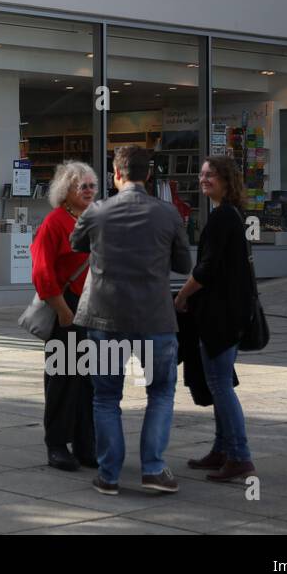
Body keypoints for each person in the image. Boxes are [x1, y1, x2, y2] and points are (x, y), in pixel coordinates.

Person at [70, 145, 192, 496]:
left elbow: (76, 242)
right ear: (148, 175)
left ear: (116, 174)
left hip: (106, 318)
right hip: (154, 317)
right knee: (160, 393)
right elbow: (184, 265)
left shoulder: (97, 211)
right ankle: (153, 468)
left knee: (106, 398)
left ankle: (108, 475)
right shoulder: (168, 214)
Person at [173, 155, 257, 483]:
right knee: (220, 381)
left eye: (211, 174)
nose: (203, 179)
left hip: (222, 316)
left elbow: (206, 270)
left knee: (221, 384)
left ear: (226, 179)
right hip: (230, 313)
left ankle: (240, 456)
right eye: (202, 173)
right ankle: (223, 449)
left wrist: (182, 295)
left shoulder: (223, 217)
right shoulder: (231, 215)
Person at [31, 162, 98, 471]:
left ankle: (86, 445)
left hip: (93, 308)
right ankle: (57, 444)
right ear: (65, 191)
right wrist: (63, 311)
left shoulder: (94, 220)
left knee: (88, 381)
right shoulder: (55, 223)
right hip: (66, 307)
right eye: (81, 186)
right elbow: (42, 272)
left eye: (91, 185)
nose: (88, 190)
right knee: (62, 379)